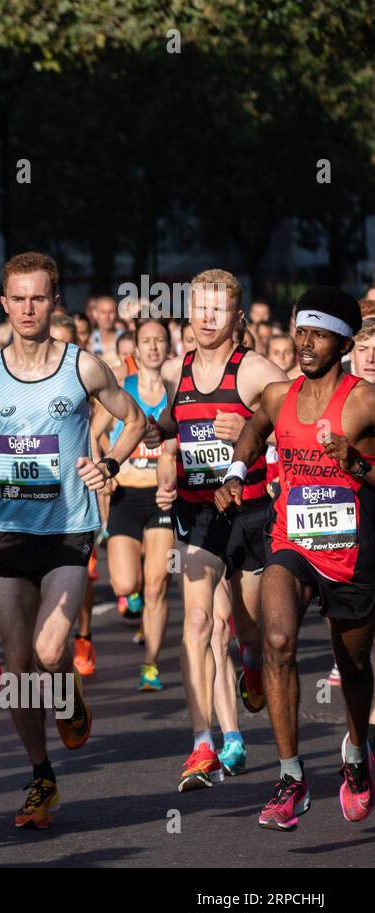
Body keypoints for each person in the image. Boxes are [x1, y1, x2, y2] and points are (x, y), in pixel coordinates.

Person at [0, 252, 145, 829]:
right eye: (19, 298)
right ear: (5, 304)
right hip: (10, 533)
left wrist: (109, 464)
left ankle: (68, 693)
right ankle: (41, 774)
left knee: (47, 651)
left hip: (68, 528)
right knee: (16, 672)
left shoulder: (81, 366)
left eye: (40, 297)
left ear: (54, 301)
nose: (29, 308)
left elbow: (134, 419)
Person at [213, 287, 375, 830]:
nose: (305, 344)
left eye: (319, 334)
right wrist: (236, 473)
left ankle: (355, 754)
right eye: (300, 332)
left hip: (353, 549)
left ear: (344, 342)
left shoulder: (365, 401)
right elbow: (256, 428)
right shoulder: (281, 394)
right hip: (293, 540)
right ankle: (291, 778)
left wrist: (355, 464)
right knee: (276, 638)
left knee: (352, 664)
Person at [148, 269, 287, 791]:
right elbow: (171, 422)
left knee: (246, 629)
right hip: (199, 516)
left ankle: (252, 662)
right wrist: (148, 444)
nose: (206, 318)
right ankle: (202, 742)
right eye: (198, 308)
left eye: (217, 309)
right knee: (202, 622)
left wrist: (252, 428)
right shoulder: (172, 370)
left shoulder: (252, 371)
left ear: (235, 316)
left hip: (250, 517)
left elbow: (295, 418)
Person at [93, 319, 174, 690]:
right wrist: (103, 474)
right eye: (147, 341)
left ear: (167, 348)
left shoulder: (175, 393)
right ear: (135, 351)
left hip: (161, 498)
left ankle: (151, 664)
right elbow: (93, 434)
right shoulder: (121, 390)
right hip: (126, 494)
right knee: (126, 584)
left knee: (157, 586)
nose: (154, 347)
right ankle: (134, 595)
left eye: (160, 340)